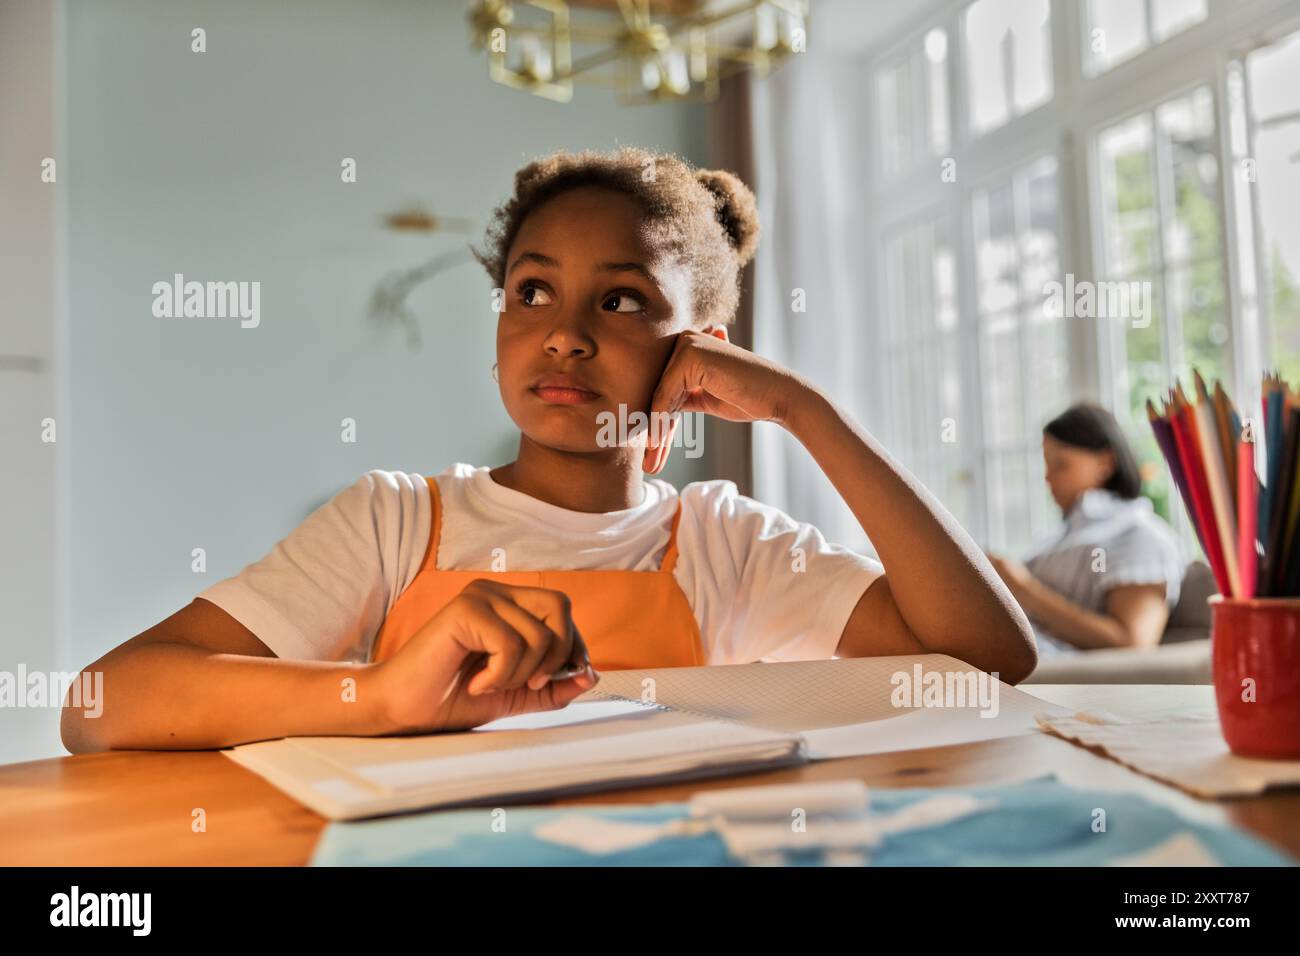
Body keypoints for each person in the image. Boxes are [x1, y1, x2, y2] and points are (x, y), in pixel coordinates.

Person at [62, 147, 1036, 753]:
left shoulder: (727, 545)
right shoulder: (395, 519)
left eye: (619, 300)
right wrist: (383, 694)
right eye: (532, 291)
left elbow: (984, 658)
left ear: (702, 352)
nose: (564, 333)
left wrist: (805, 410)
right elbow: (102, 704)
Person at [988, 403, 1184, 655]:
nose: (1047, 478)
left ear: (1105, 462)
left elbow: (1133, 643)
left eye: (1060, 464)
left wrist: (1023, 588)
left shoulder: (1138, 534)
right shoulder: (1059, 537)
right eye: (1046, 465)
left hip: (1043, 671)